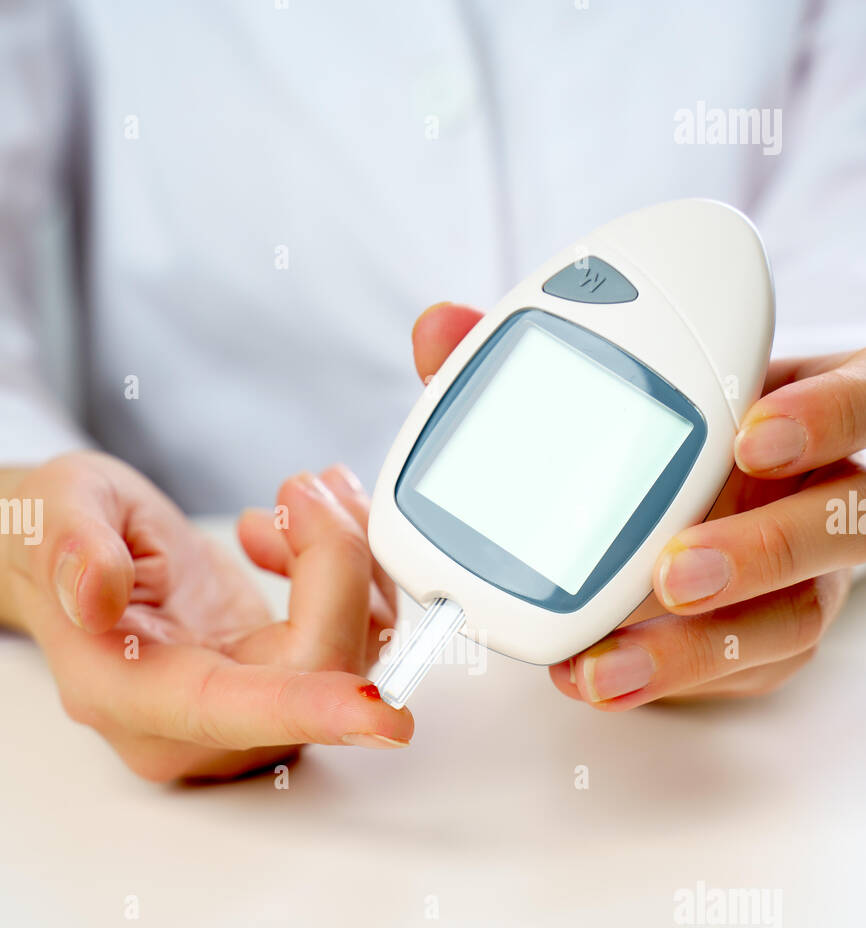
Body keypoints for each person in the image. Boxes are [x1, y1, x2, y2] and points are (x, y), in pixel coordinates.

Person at [0, 0, 864, 781]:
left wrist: (797, 498)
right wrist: (29, 523)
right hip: (202, 577)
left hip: (750, 742)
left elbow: (838, 295)